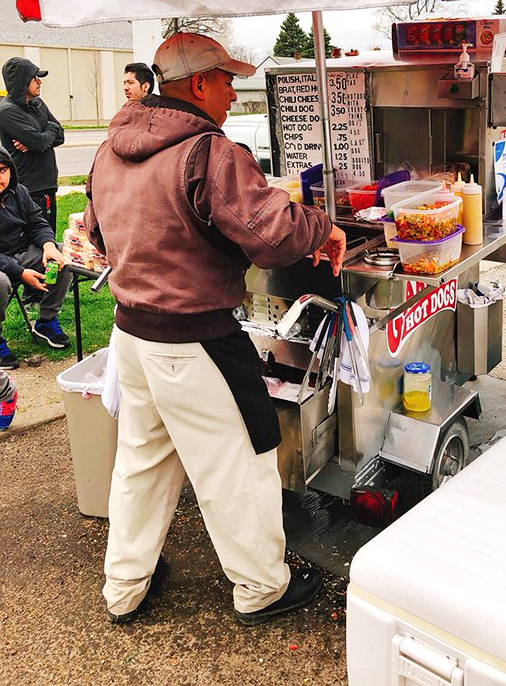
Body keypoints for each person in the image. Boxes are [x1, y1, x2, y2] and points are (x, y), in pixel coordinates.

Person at [84, 31, 346, 626]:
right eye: (227, 80)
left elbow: (97, 234)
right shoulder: (209, 152)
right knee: (240, 461)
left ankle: (124, 587)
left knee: (142, 462)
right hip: (195, 339)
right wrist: (323, 226)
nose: (233, 92)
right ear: (199, 84)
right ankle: (262, 588)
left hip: (132, 336)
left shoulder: (108, 149)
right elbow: (272, 233)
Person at [0, 147, 71, 368]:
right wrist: (20, 272)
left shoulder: (19, 192)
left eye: (2, 170)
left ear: (10, 170)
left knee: (62, 256)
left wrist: (48, 245)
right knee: (0, 281)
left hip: (22, 252)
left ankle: (46, 320)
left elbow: (38, 223)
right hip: (2, 263)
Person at [0, 57, 65, 232]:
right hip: (29, 191)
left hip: (47, 187)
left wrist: (42, 137)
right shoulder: (7, 111)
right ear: (21, 81)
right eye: (35, 77)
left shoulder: (38, 103)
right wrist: (42, 137)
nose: (39, 81)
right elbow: (40, 141)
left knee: (49, 237)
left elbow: (60, 136)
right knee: (35, 239)